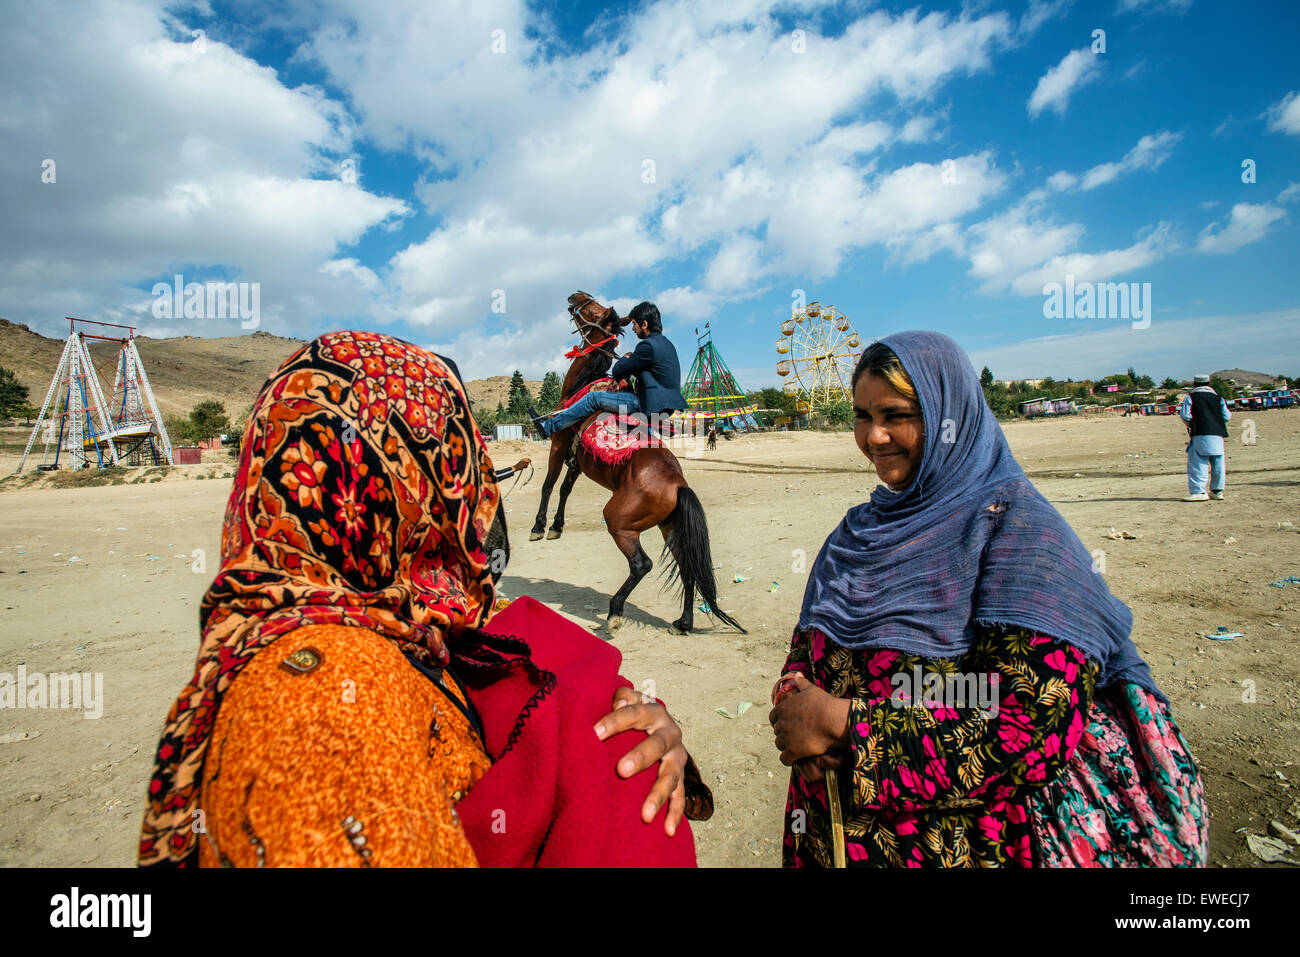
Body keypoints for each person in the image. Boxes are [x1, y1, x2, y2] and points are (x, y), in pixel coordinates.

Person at [139, 330, 710, 867]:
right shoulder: (322, 706)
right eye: (455, 455)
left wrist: (635, 737)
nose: (474, 485)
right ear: (417, 479)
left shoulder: (421, 632)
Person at [768, 332, 1207, 868]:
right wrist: (794, 709)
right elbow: (803, 649)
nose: (875, 436)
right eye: (862, 415)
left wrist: (841, 725)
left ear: (951, 414)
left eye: (897, 414)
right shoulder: (855, 534)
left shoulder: (1022, 535)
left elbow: (1030, 729)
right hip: (825, 834)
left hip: (956, 844)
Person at [531, 301, 687, 437]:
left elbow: (617, 371)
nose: (633, 328)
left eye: (634, 324)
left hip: (648, 404)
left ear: (644, 324)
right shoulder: (667, 344)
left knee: (594, 399)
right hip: (667, 406)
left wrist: (626, 358)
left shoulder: (647, 346)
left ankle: (549, 426)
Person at [1179, 374, 1230, 501]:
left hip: (1200, 433)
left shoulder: (1191, 397)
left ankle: (1199, 491)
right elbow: (1227, 416)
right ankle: (1217, 491)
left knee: (1198, 464)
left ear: (1194, 384)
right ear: (1209, 383)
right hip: (1217, 435)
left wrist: (1193, 424)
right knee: (1218, 464)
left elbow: (1185, 415)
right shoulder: (1219, 398)